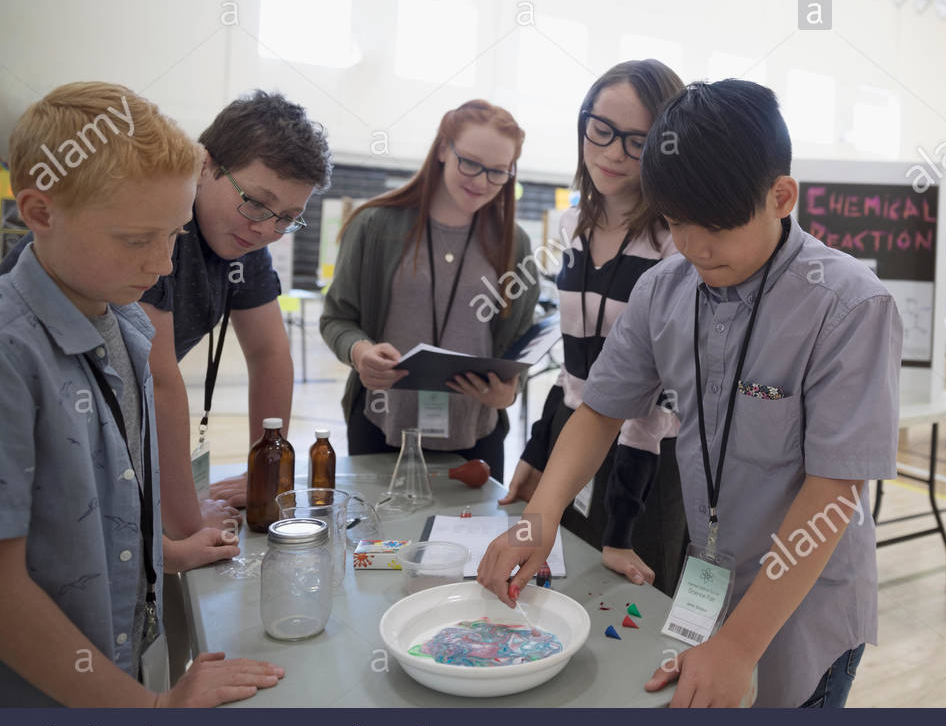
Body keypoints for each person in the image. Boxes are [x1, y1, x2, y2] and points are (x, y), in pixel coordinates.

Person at [479, 80, 903, 708]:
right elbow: (598, 413)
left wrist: (739, 645)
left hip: (804, 604)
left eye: (716, 229)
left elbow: (835, 492)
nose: (695, 248)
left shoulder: (848, 306)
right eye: (676, 224)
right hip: (703, 584)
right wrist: (538, 519)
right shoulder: (665, 290)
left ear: (780, 197)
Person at [0, 82, 283, 705]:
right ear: (40, 213)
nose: (162, 265)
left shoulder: (124, 322)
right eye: (136, 240)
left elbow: (95, 499)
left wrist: (166, 553)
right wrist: (154, 710)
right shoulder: (12, 355)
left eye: (175, 235)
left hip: (110, 659)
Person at [1, 89, 332, 574]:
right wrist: (184, 519)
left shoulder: (243, 240)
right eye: (258, 203)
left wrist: (265, 470)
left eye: (287, 219)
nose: (265, 229)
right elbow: (158, 378)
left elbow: (269, 354)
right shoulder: (153, 230)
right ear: (206, 165)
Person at [500, 60, 687, 592]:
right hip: (574, 442)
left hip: (645, 460)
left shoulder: (678, 242)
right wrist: (538, 452)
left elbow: (664, 395)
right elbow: (573, 369)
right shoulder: (572, 225)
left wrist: (623, 523)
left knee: (628, 614)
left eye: (637, 141)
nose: (612, 152)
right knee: (558, 590)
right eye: (601, 130)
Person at [320, 99, 539, 480]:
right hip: (382, 424)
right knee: (383, 539)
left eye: (498, 172)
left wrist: (510, 389)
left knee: (472, 539)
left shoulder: (513, 243)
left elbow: (520, 340)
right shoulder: (375, 226)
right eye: (470, 163)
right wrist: (361, 352)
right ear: (442, 149)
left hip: (476, 433)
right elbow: (337, 318)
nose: (482, 181)